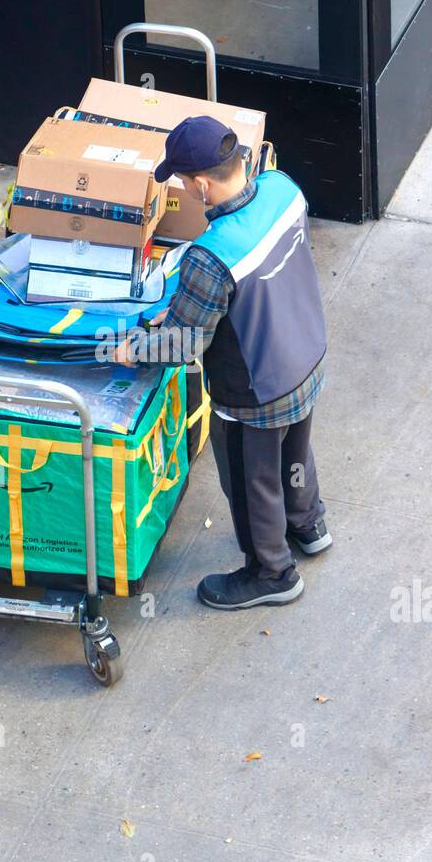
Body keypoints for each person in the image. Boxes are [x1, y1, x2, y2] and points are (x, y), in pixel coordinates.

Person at [114, 115, 330, 610]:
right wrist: (198, 301)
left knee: (251, 479)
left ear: (202, 183)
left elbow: (181, 346)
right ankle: (308, 524)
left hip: (253, 389)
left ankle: (271, 571)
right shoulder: (283, 188)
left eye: (186, 184)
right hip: (304, 356)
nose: (188, 193)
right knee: (295, 449)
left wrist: (131, 349)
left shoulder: (210, 256)